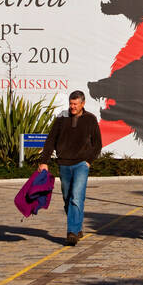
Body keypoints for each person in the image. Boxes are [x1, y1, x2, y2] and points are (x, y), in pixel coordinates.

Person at [37, 90, 102, 246]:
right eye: (71, 104)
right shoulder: (62, 118)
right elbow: (50, 140)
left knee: (76, 197)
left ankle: (72, 232)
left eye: (75, 104)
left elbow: (97, 144)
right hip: (64, 164)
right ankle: (77, 226)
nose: (72, 107)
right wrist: (43, 161)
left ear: (82, 104)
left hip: (81, 164)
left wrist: (88, 160)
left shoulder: (90, 119)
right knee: (67, 199)